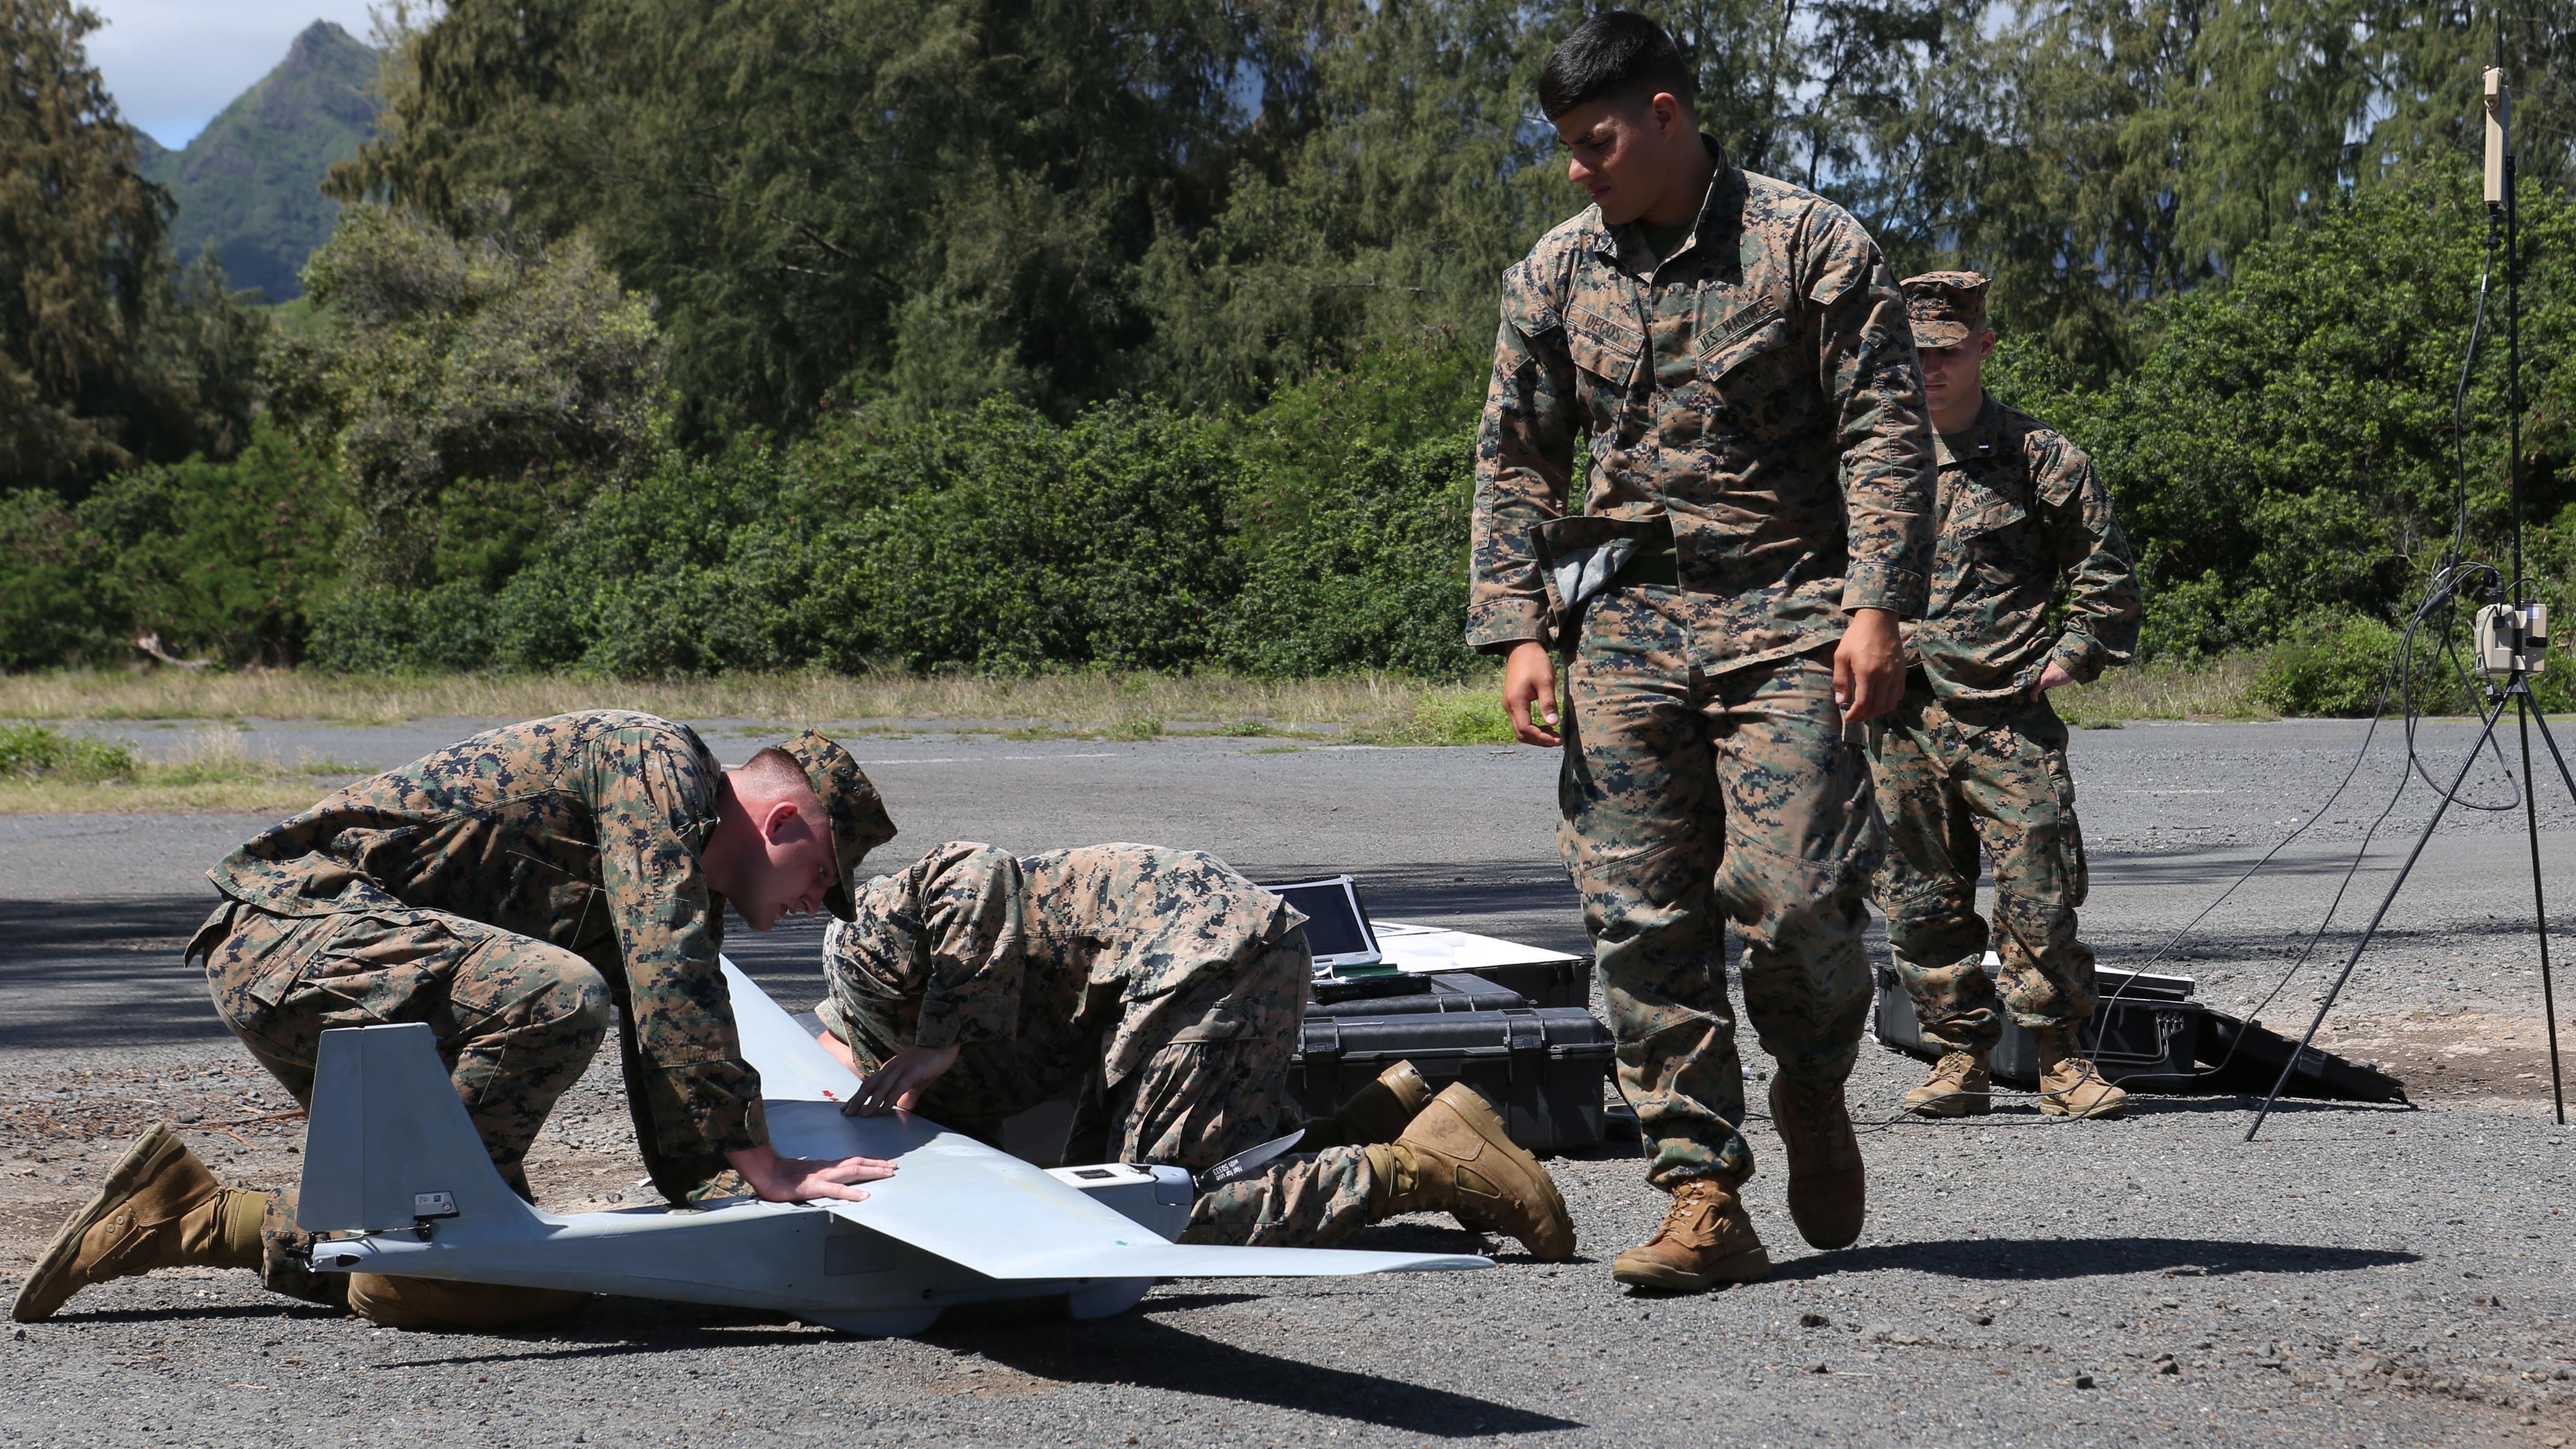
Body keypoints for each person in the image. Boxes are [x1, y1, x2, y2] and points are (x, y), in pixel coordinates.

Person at [1469, 12, 1936, 1291]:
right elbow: (1518, 458)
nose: (1580, 168)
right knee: (1637, 916)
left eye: (1597, 140)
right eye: (1565, 147)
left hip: (1789, 613)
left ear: (1667, 113)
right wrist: (1520, 626)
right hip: (1619, 625)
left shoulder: (1810, 244)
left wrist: (1877, 604)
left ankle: (1814, 1078)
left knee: (1795, 903)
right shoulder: (1554, 273)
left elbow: (1884, 438)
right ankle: (1699, 1193)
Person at [12, 711, 901, 1330]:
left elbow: (665, 1027)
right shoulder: (659, 767)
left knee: (515, 1288)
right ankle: (383, 1241)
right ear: (783, 820)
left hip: (363, 971)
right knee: (555, 1001)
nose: (817, 905)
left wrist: (729, 1199)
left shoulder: (678, 860)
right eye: (823, 876)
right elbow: (670, 978)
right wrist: (768, 1164)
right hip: (293, 939)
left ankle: (189, 1213)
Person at [816, 841, 1574, 1260]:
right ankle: (1369, 1128)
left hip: (1204, 959)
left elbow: (972, 870)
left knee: (1157, 1208)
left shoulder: (870, 941)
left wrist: (939, 1042)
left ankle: (1427, 1169)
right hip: (1206, 953)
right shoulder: (868, 1001)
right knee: (1093, 1188)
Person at [1867, 272, 2142, 1121]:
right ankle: (1957, 1059)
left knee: (2040, 889)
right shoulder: (1871, 462)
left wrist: (2071, 656)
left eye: (1947, 353)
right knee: (1918, 897)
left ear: (1983, 349)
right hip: (1900, 715)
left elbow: (2106, 575)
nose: (1931, 369)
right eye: (1915, 355)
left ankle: (2060, 1059)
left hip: (2005, 711)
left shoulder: (2037, 457)